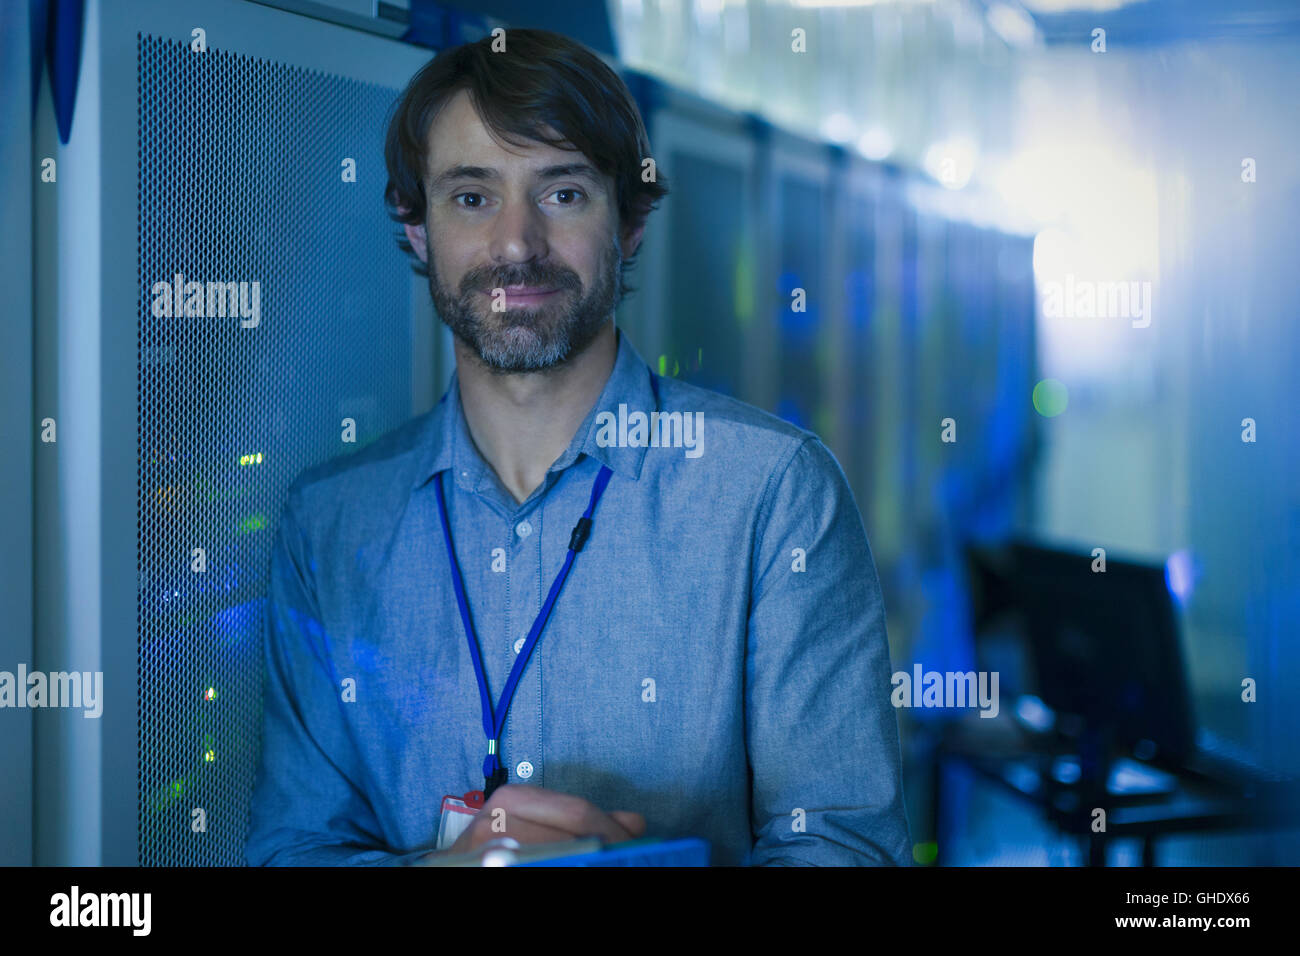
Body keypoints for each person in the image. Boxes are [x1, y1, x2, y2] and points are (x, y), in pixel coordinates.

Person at [244, 28, 911, 867]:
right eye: (471, 198)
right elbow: (292, 851)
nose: (517, 245)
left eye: (562, 195)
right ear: (417, 231)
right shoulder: (330, 520)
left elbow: (842, 852)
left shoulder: (771, 494)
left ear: (628, 225)